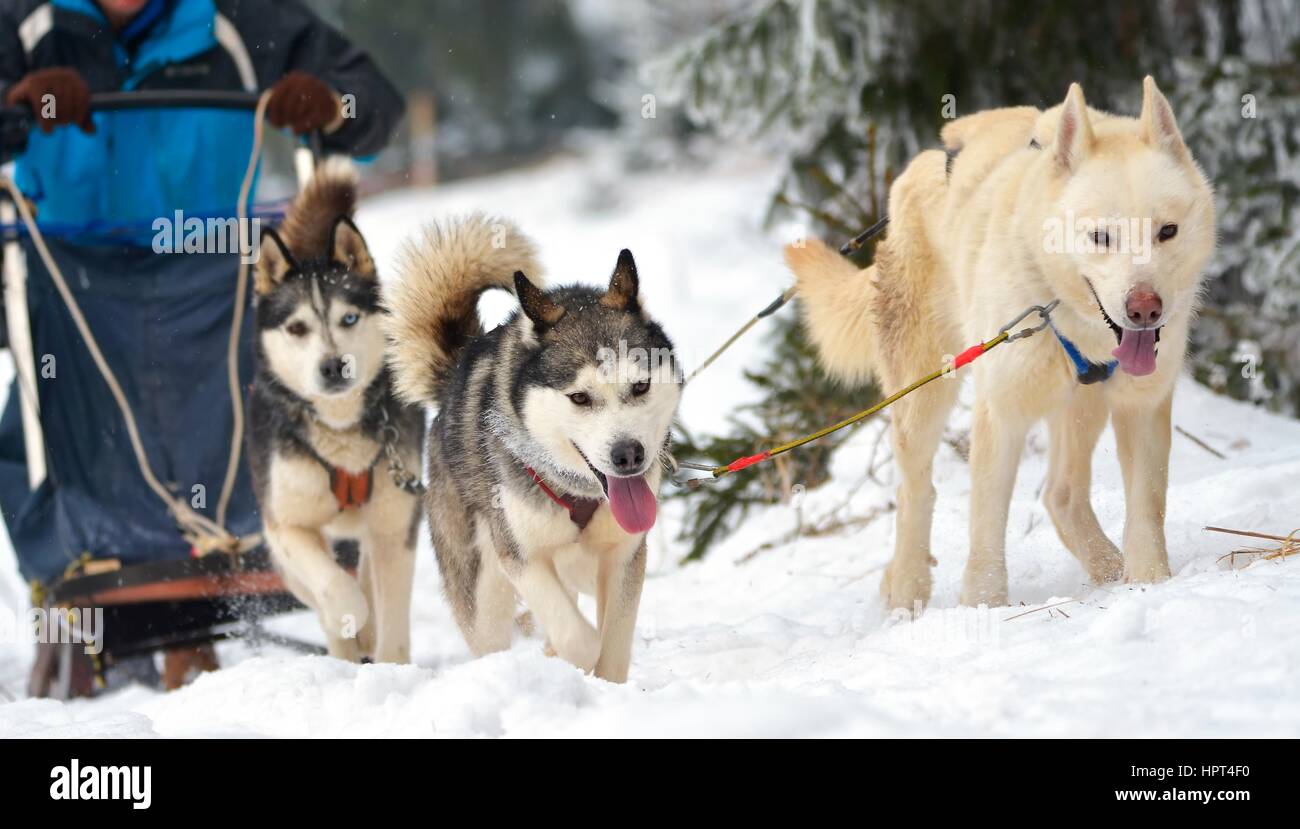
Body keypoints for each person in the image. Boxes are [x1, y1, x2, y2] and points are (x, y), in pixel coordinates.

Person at [0, 0, 403, 652]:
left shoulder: (236, 17)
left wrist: (329, 106)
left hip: (215, 290)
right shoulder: (24, 23)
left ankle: (260, 526)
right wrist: (18, 105)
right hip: (73, 294)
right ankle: (71, 556)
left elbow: (373, 106)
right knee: (51, 387)